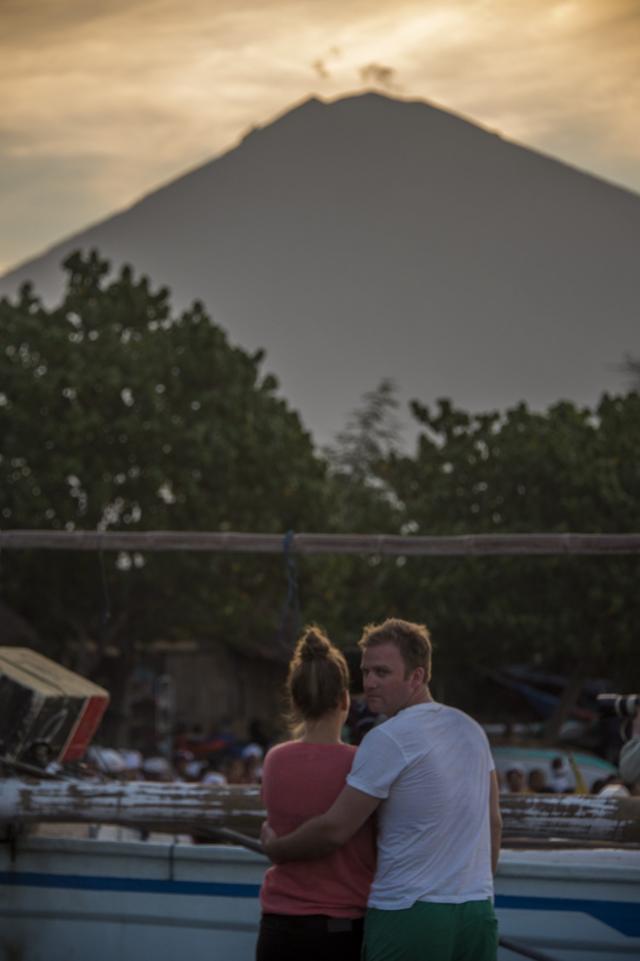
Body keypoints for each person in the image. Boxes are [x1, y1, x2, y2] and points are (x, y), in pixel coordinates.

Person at [262, 618, 502, 961]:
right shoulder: (471, 729)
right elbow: (494, 822)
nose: (370, 683)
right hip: (476, 910)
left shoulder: (387, 737)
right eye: (366, 671)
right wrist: (477, 889)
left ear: (416, 677)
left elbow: (334, 830)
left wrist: (276, 848)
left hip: (409, 913)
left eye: (382, 672)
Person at [256, 626, 376, 961]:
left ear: (295, 701)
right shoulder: (361, 763)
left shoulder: (275, 758)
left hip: (278, 926)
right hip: (339, 927)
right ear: (345, 700)